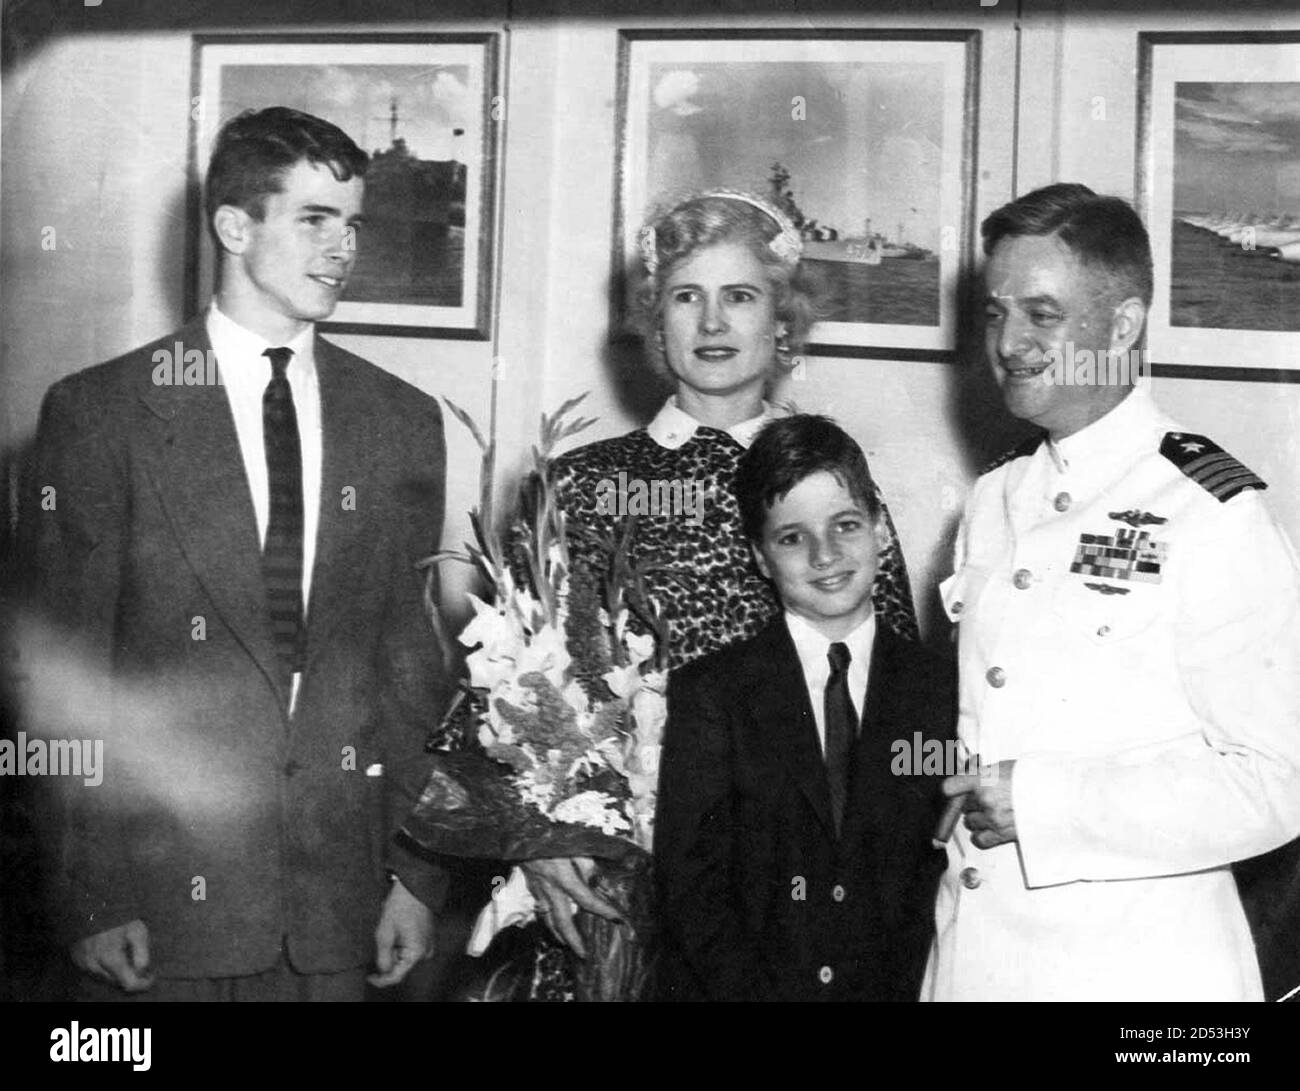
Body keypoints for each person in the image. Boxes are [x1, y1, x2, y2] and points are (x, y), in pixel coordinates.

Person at [18, 107, 448, 1000]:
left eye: (354, 222)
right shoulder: (103, 414)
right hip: (159, 915)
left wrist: (417, 873)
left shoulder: (402, 421)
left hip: (341, 916)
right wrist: (88, 893)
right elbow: (59, 680)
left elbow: (409, 669)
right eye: (315, 219)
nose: (343, 248)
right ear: (233, 226)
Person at [924, 183, 1300, 1001]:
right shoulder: (995, 500)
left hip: (1140, 981)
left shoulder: (1209, 510)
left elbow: (1278, 782)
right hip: (977, 960)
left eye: (1042, 315)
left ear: (1122, 326)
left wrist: (1043, 804)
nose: (1009, 342)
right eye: (995, 313)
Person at [519, 191, 921, 955]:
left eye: (740, 296)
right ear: (654, 320)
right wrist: (534, 834)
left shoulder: (834, 488)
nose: (712, 323)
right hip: (617, 888)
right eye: (685, 297)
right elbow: (510, 689)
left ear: (782, 320)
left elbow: (897, 698)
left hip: (797, 891)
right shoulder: (579, 483)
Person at [654, 414, 954, 1001]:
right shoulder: (714, 692)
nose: (825, 554)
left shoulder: (941, 691)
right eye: (792, 537)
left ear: (880, 531)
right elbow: (691, 886)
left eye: (845, 525)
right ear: (761, 558)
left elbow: (932, 870)